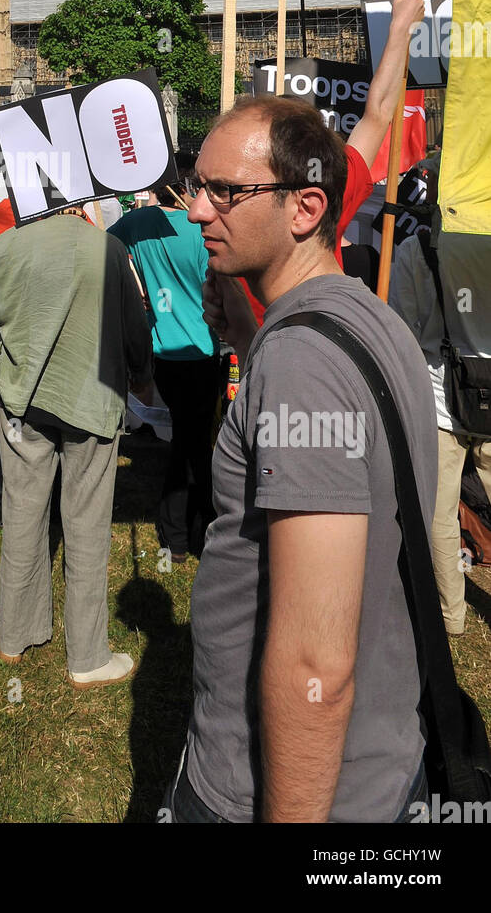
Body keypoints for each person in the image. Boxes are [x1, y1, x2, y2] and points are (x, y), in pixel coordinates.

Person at [164, 94, 437, 823]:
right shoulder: (364, 321)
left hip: (278, 790)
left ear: (306, 207)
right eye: (199, 186)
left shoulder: (301, 367)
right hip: (376, 768)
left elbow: (316, 664)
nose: (197, 212)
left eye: (226, 192)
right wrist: (254, 348)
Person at [0, 204, 153, 688]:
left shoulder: (16, 241)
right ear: (81, 201)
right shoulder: (108, 247)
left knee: (21, 512)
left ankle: (15, 634)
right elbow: (135, 327)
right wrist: (143, 377)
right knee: (86, 525)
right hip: (92, 402)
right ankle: (86, 657)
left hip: (23, 402)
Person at [241, 0, 426, 324]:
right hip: (315, 352)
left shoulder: (229, 204)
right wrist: (400, 29)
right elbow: (379, 112)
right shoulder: (327, 195)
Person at [388, 161, 491, 635]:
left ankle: (451, 615)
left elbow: (401, 330)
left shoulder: (414, 250)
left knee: (439, 515)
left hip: (440, 402)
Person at [109, 182, 219, 560]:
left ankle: (185, 533)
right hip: (201, 350)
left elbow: (105, 248)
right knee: (194, 446)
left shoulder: (136, 222)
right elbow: (217, 287)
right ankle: (186, 534)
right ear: (193, 187)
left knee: (190, 442)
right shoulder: (206, 230)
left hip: (161, 350)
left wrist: (135, 282)